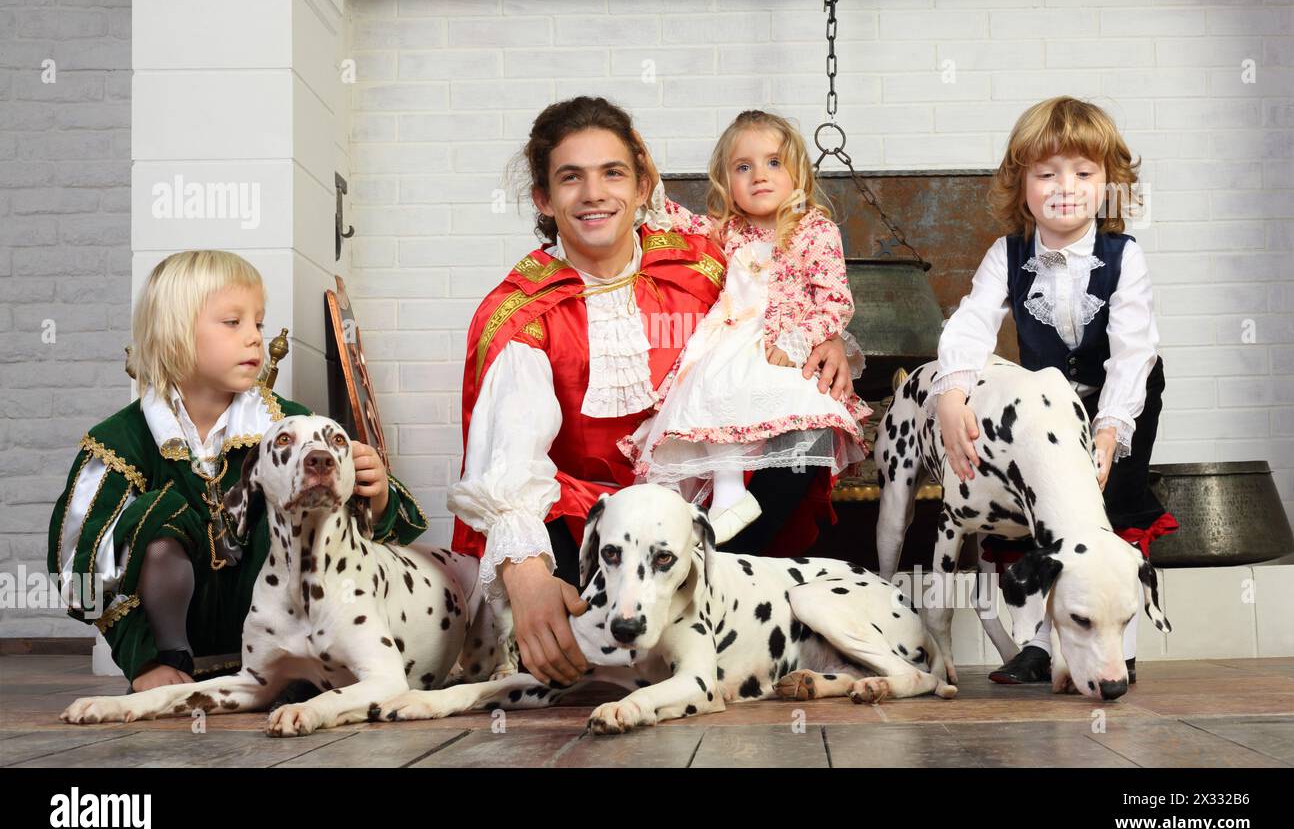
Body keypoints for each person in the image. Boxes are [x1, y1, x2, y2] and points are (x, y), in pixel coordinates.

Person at [449, 96, 856, 688]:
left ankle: (715, 607)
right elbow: (511, 465)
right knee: (581, 613)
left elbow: (778, 292)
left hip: (698, 516)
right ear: (543, 198)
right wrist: (527, 575)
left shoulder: (700, 267)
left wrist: (833, 336)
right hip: (587, 524)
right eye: (571, 177)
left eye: (612, 173)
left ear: (642, 186)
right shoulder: (525, 313)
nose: (594, 193)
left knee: (798, 433)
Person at [47, 250, 429, 692]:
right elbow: (81, 562)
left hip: (281, 639)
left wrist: (375, 492)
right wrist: (141, 658)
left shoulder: (288, 427)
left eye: (259, 323)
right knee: (156, 513)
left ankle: (298, 662)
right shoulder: (122, 440)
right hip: (173, 654)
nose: (254, 339)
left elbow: (366, 541)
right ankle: (169, 657)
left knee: (289, 500)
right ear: (175, 334)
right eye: (233, 323)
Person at [930, 96, 1178, 685]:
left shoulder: (1124, 258)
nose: (1064, 188)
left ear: (1110, 185)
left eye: (1084, 174)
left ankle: (1120, 649)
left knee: (1109, 514)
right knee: (1044, 521)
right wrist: (952, 391)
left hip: (1120, 397)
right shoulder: (1008, 255)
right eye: (1046, 174)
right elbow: (971, 323)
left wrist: (1112, 426)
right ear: (1022, 187)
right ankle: (1039, 644)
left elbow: (1133, 352)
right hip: (1048, 409)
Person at [620, 110, 872, 549]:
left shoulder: (813, 229)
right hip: (728, 338)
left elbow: (835, 301)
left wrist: (798, 339)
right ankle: (730, 493)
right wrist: (648, 180)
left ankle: (759, 519)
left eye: (774, 162)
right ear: (726, 180)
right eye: (743, 167)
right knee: (710, 396)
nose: (759, 175)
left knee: (794, 407)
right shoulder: (728, 229)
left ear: (798, 172)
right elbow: (673, 220)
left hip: (781, 342)